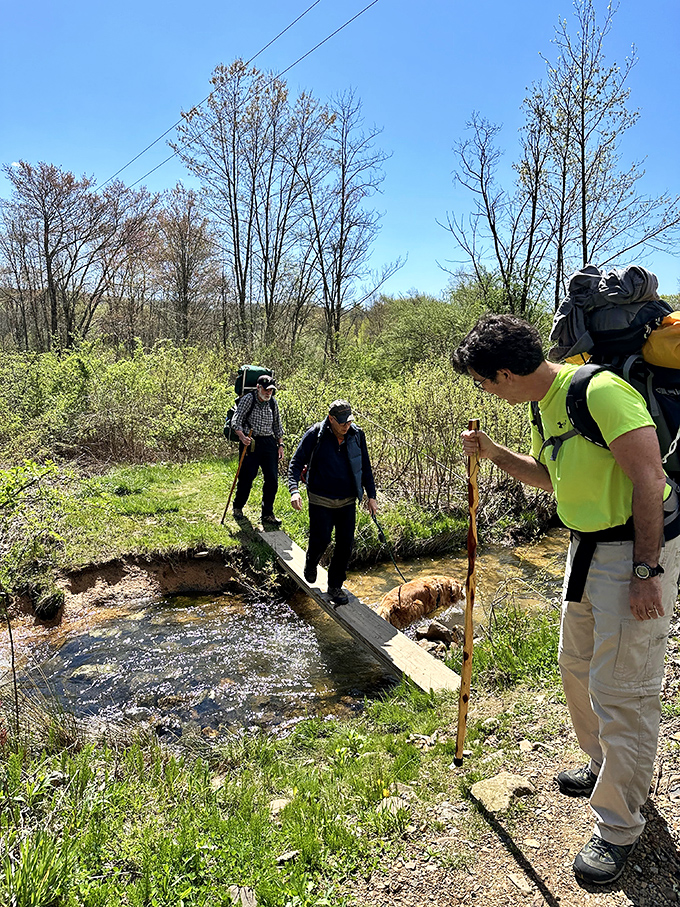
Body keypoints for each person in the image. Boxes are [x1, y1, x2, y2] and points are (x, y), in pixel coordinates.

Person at [453, 313, 680, 886]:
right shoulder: (545, 402)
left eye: (482, 381)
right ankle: (604, 763)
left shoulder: (598, 391)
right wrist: (495, 452)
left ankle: (620, 827)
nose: (483, 390)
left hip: (632, 552)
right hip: (584, 549)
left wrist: (646, 569)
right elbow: (554, 477)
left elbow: (650, 479)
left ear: (503, 374)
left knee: (621, 690)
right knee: (575, 666)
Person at [288, 399, 379, 605]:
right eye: (342, 422)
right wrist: (294, 491)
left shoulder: (357, 435)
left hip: (347, 500)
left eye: (349, 422)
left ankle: (335, 585)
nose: (346, 426)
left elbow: (365, 466)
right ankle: (311, 562)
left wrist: (371, 496)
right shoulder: (315, 434)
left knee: (345, 544)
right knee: (321, 539)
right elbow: (295, 463)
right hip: (321, 498)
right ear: (331, 419)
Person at [231, 374, 284, 526]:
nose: (269, 393)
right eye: (266, 390)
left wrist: (280, 445)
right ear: (258, 387)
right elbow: (236, 420)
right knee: (247, 477)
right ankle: (238, 507)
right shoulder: (249, 399)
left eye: (271, 390)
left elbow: (277, 426)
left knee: (272, 479)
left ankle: (267, 513)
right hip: (250, 441)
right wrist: (242, 437)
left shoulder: (272, 403)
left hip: (269, 443)